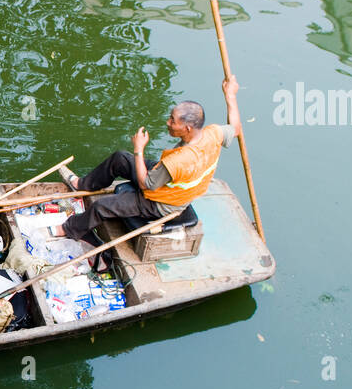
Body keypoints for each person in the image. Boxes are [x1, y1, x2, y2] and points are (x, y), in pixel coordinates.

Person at [53, 76, 243, 269]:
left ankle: (67, 229)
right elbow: (235, 128)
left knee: (101, 207)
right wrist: (230, 96)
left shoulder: (178, 161)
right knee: (119, 158)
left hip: (161, 201)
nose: (168, 122)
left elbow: (146, 184)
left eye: (173, 121)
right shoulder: (213, 133)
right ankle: (82, 184)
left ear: (187, 128)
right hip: (166, 177)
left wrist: (139, 149)